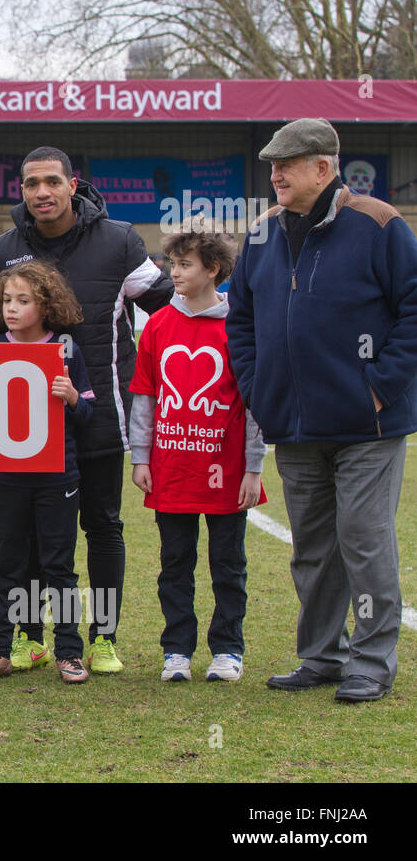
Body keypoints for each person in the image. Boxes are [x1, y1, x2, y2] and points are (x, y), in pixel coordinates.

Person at [227, 118, 417, 703]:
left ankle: (371, 661)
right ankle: (322, 656)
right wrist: (262, 389)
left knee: (363, 537)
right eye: (272, 165)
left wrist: (377, 387)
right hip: (294, 424)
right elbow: (241, 321)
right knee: (311, 546)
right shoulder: (260, 234)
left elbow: (413, 310)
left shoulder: (380, 224)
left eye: (288, 163)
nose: (276, 173)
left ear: (324, 167)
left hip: (367, 423)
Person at [0, 146, 173, 674]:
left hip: (101, 415)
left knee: (103, 525)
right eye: (30, 184)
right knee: (32, 537)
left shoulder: (118, 240)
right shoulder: (2, 250)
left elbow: (168, 307)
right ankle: (29, 636)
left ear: (72, 184)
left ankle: (103, 638)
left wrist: (226, 319)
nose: (41, 192)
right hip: (26, 428)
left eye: (51, 181)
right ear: (20, 190)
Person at [129, 219, 266, 683]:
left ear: (213, 269)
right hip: (171, 469)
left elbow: (253, 406)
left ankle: (228, 649)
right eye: (172, 263)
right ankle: (177, 651)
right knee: (175, 563)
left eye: (184, 265)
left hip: (226, 472)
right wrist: (141, 457)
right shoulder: (157, 326)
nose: (174, 273)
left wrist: (253, 467)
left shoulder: (239, 329)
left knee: (228, 564)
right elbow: (145, 395)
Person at [0, 262, 95, 685]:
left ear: (47, 305)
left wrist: (72, 397)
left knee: (60, 567)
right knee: (8, 565)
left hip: (58, 477)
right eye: (6, 301)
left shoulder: (67, 350)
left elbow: (90, 414)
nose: (12, 309)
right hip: (7, 476)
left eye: (23, 301)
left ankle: (70, 653)